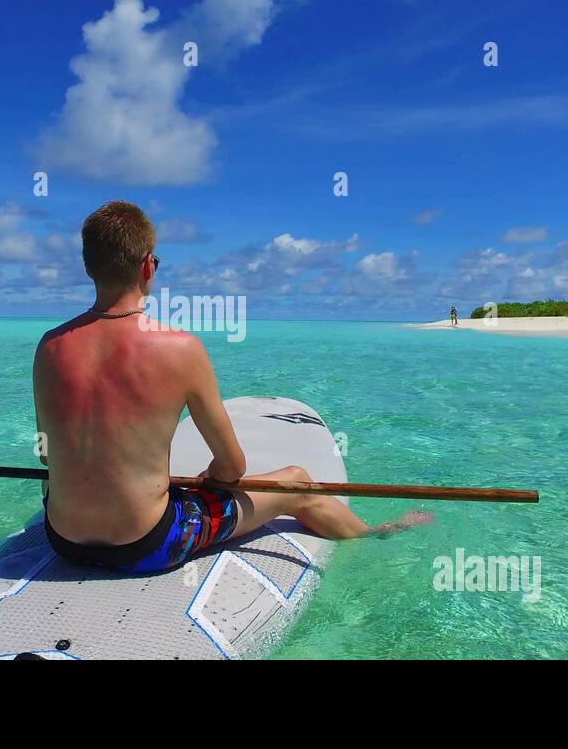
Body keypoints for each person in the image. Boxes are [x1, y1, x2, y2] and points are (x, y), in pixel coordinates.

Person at [32, 200, 430, 574]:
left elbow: (48, 456)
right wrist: (208, 478)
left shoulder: (49, 347)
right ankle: (375, 537)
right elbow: (233, 467)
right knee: (298, 483)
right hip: (148, 545)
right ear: (147, 267)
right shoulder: (180, 349)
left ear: (88, 268)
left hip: (64, 540)